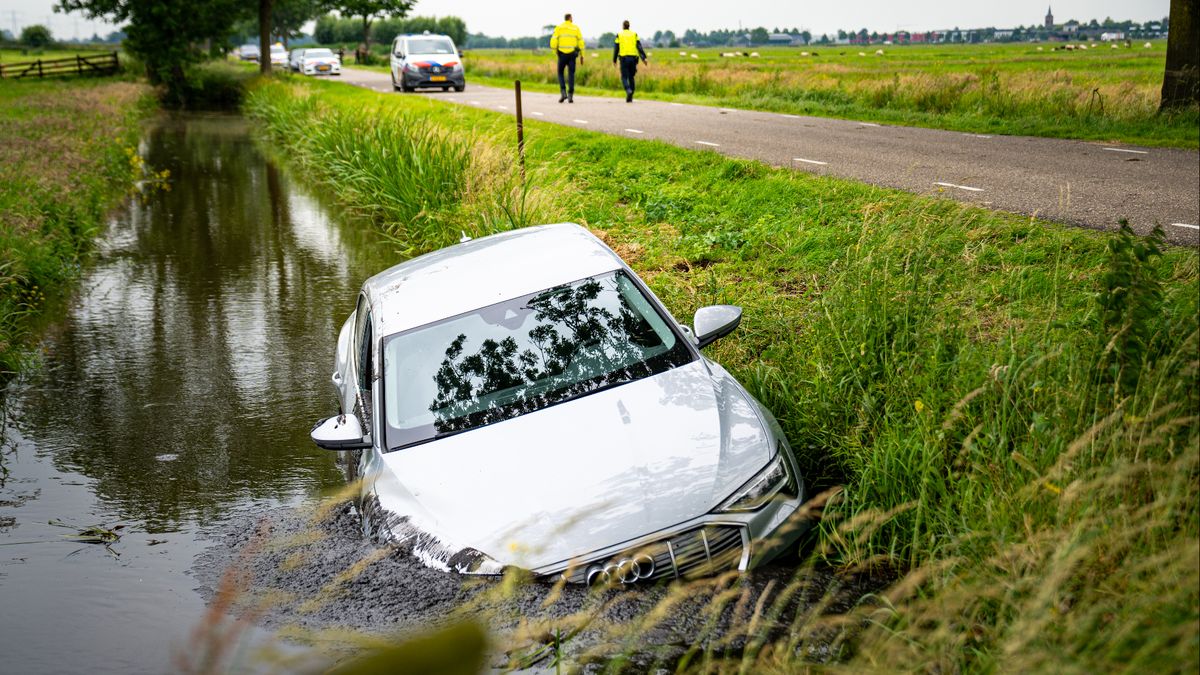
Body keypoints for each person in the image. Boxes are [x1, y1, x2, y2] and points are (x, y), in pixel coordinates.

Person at [550, 13, 585, 103]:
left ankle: (563, 92)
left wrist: (555, 52)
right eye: (572, 17)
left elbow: (554, 40)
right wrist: (582, 55)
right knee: (571, 74)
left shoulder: (559, 27)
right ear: (570, 18)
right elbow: (581, 42)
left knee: (560, 73)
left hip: (562, 54)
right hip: (572, 55)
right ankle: (570, 96)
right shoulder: (576, 28)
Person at [612, 20, 648, 102]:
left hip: (624, 59)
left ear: (623, 26)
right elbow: (639, 46)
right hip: (633, 59)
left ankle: (628, 90)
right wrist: (644, 58)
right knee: (631, 77)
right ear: (629, 26)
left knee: (624, 77)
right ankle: (630, 96)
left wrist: (614, 60)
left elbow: (616, 48)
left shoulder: (619, 35)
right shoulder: (634, 34)